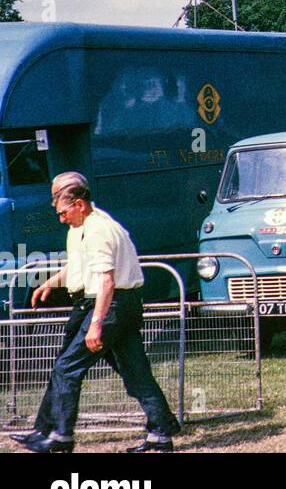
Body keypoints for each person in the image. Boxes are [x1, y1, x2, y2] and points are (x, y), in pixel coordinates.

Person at [11, 172, 181, 453]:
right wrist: (52, 283)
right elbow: (82, 265)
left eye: (63, 211)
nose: (60, 217)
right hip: (120, 304)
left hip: (109, 304)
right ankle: (161, 432)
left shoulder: (99, 230)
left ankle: (61, 436)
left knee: (67, 368)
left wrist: (96, 325)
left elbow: (106, 281)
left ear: (79, 204)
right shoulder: (87, 225)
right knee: (136, 372)